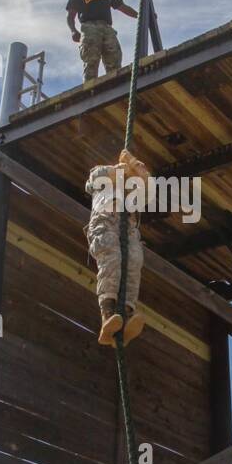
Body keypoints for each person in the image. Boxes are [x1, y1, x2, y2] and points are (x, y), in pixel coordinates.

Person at [85, 148, 150, 346]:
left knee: (134, 260)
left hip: (128, 229)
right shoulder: (101, 174)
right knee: (112, 258)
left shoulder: (133, 190)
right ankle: (108, 314)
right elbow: (96, 178)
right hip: (105, 223)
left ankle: (126, 315)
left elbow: (148, 190)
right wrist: (122, 168)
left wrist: (139, 172)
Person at [66, 0, 137, 82]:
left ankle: (115, 86)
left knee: (114, 59)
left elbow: (122, 7)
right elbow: (70, 16)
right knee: (91, 61)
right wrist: (73, 30)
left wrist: (140, 15)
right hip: (89, 27)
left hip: (107, 27)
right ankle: (90, 91)